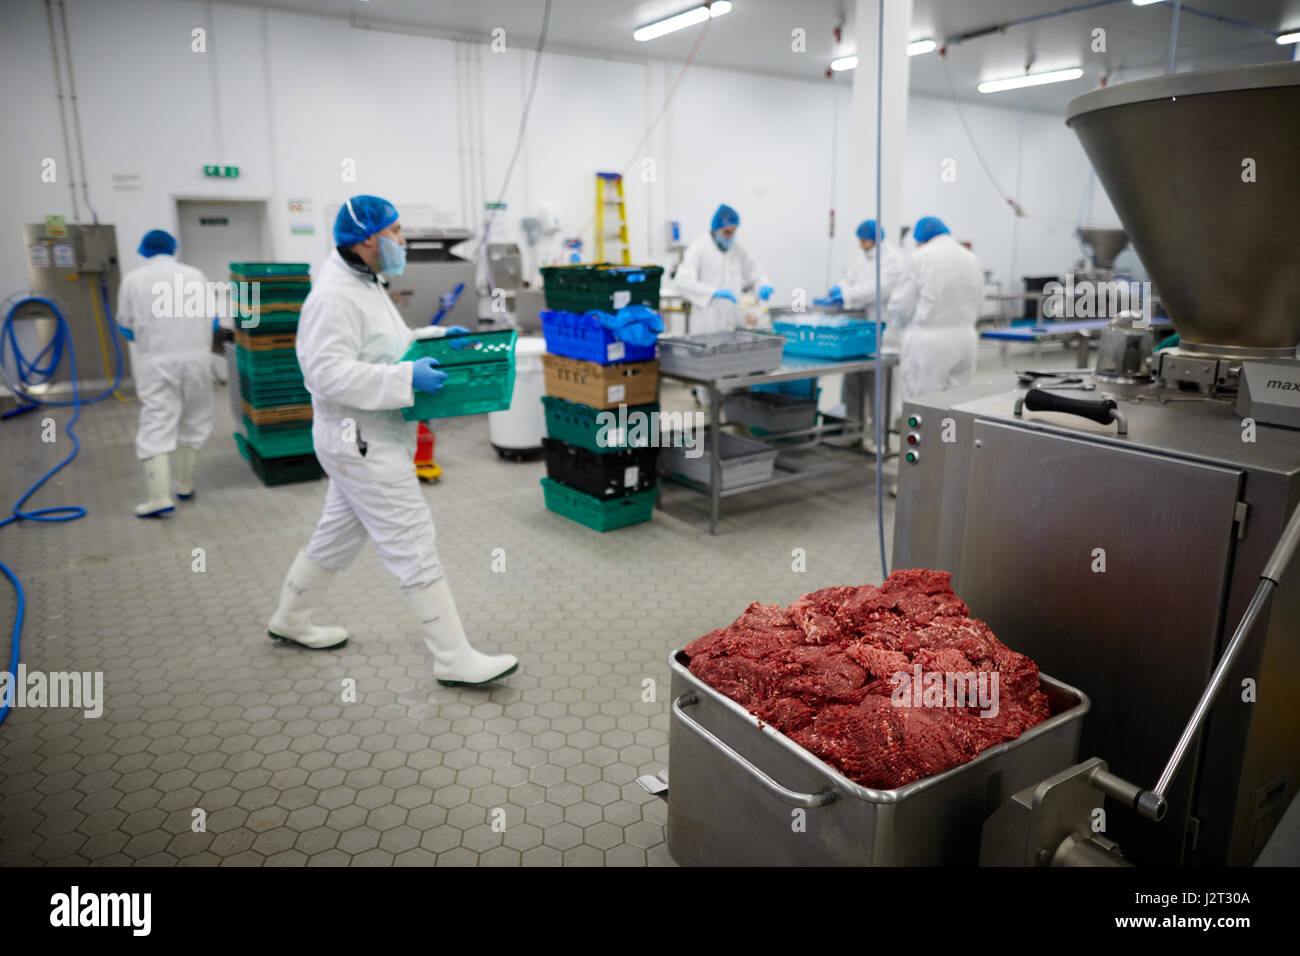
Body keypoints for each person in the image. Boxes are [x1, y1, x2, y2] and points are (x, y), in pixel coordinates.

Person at [266, 194, 517, 687]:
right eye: (397, 232)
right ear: (366, 241)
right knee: (412, 540)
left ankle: (290, 620)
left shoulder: (365, 282)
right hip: (360, 439)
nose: (403, 242)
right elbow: (324, 373)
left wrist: (432, 342)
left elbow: (385, 345)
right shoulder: (333, 295)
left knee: (335, 536)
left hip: (365, 436)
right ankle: (452, 657)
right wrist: (405, 379)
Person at [116, 229, 214, 517]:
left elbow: (126, 326)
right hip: (197, 360)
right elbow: (213, 318)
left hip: (156, 362)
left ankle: (159, 497)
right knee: (195, 418)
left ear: (144, 250)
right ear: (173, 249)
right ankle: (185, 485)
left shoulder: (134, 280)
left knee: (158, 420)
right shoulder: (195, 275)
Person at [818, 220, 907, 425]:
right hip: (859, 337)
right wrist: (838, 289)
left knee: (879, 391)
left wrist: (847, 295)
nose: (861, 244)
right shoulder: (864, 258)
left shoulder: (894, 261)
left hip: (884, 338)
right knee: (853, 386)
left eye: (864, 240)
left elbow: (876, 289)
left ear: (874, 239)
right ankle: (852, 432)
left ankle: (879, 438)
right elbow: (850, 279)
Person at [887, 216, 983, 401]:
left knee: (924, 405)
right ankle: (952, 432)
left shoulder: (920, 257)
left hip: (929, 344)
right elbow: (979, 301)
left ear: (920, 238)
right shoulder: (971, 258)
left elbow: (901, 304)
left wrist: (899, 327)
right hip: (966, 340)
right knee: (957, 402)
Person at [672, 204, 772, 335]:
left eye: (734, 232)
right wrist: (713, 293)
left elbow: (756, 274)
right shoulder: (698, 249)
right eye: (727, 232)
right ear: (715, 229)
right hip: (707, 323)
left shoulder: (738, 250)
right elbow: (682, 282)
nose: (730, 236)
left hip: (734, 320)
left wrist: (763, 286)